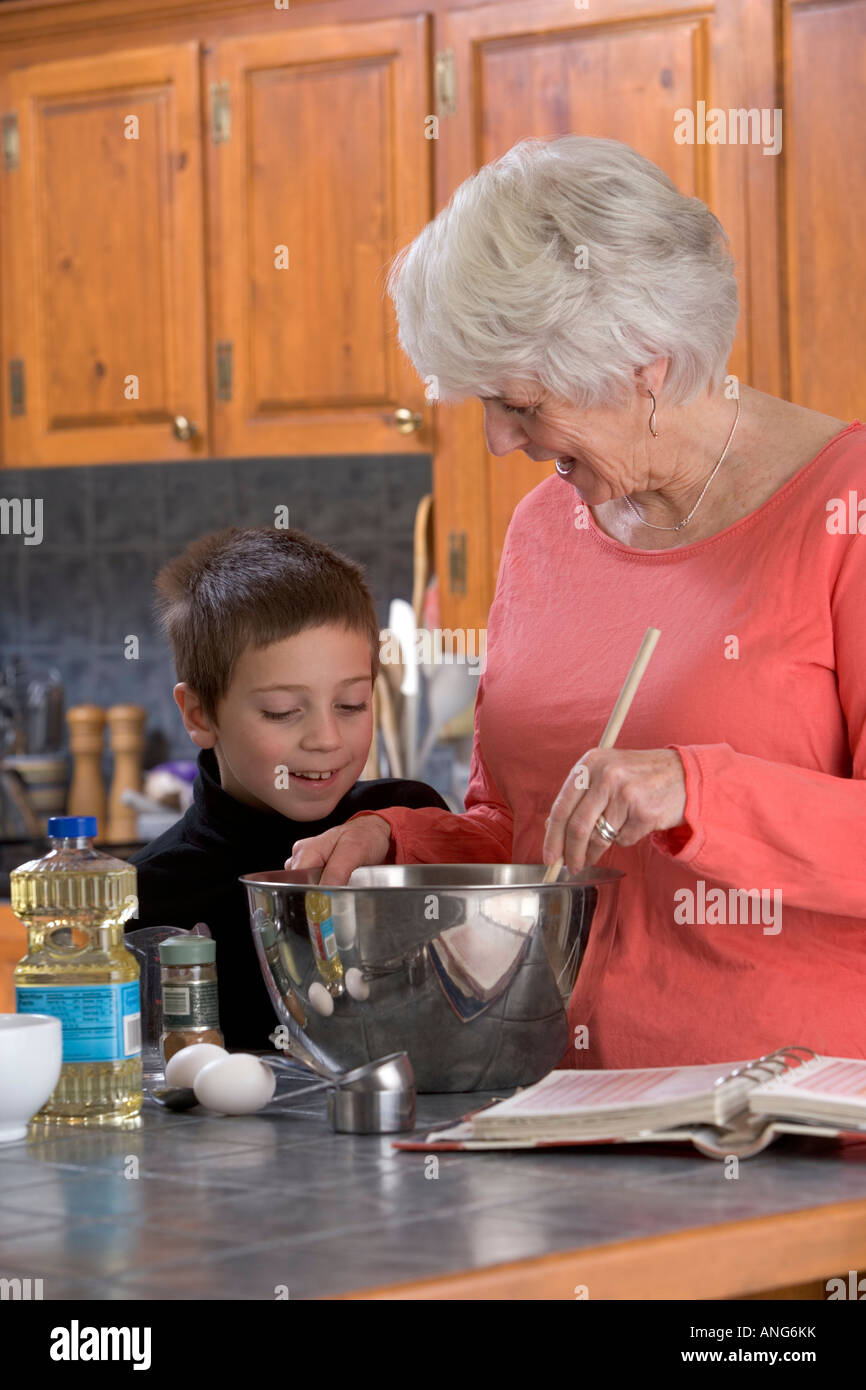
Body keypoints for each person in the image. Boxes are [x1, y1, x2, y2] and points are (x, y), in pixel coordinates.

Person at [287, 134, 866, 1070]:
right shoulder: (543, 531)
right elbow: (526, 828)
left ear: (645, 364)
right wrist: (400, 842)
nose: (495, 439)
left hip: (786, 1122)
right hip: (550, 1101)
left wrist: (697, 787)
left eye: (520, 403)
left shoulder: (848, 509)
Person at [130, 525, 448, 1049]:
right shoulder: (149, 897)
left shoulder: (408, 821)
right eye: (282, 712)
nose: (326, 740)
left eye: (351, 705)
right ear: (200, 714)